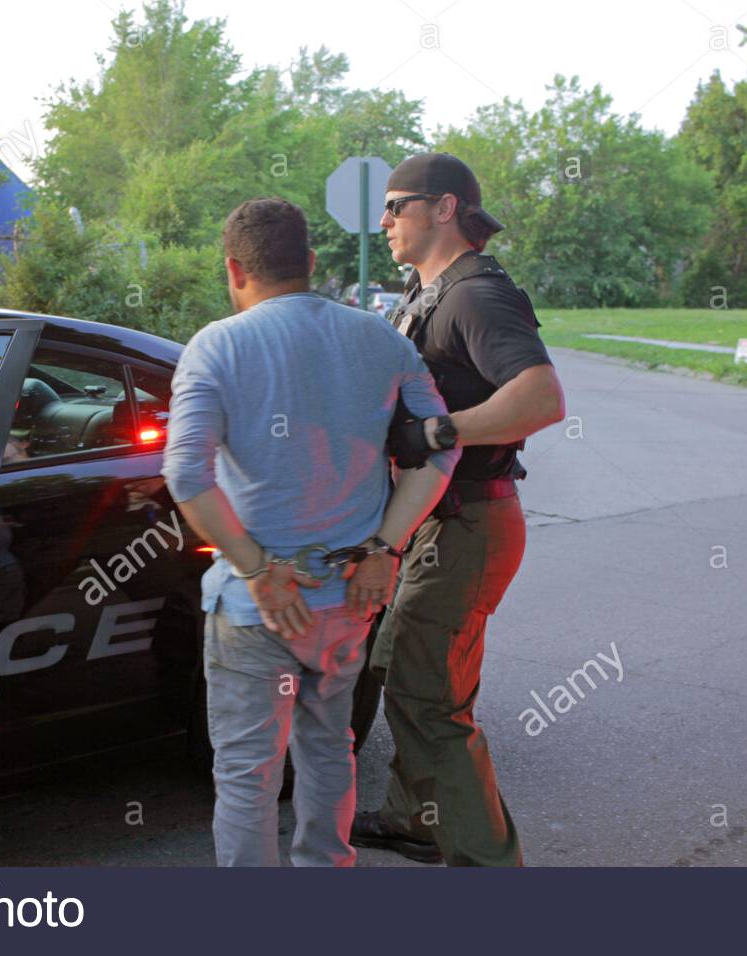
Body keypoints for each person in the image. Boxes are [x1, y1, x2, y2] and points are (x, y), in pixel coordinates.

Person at [161, 198, 460, 867]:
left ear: (235, 269)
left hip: (257, 609)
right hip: (349, 596)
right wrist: (386, 547)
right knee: (329, 748)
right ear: (313, 264)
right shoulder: (381, 339)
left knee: (247, 774)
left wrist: (257, 570)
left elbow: (186, 475)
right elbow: (443, 448)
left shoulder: (217, 346)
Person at [350, 153, 566, 867]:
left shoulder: (475, 294)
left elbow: (541, 399)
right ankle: (418, 818)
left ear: (444, 208)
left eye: (396, 206)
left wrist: (442, 432)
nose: (382, 222)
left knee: (428, 698)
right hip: (441, 524)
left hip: (468, 524)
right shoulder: (429, 291)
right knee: (413, 671)